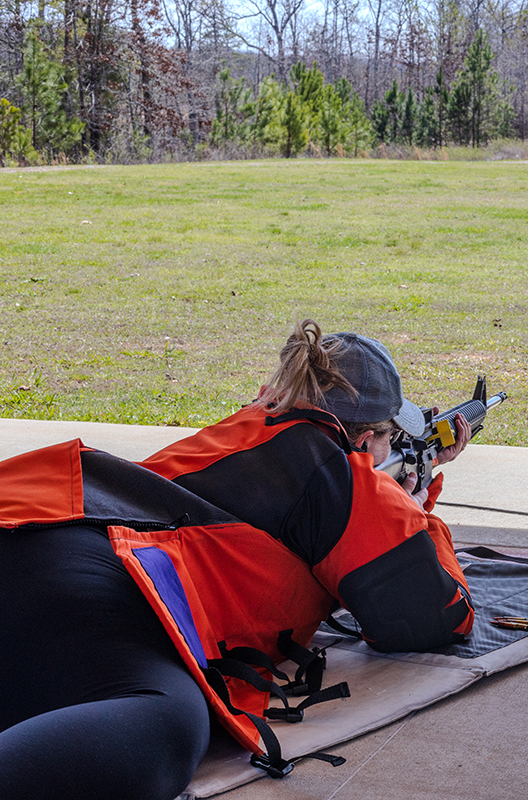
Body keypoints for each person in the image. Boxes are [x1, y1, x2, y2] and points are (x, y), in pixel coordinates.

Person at [0, 320, 474, 800]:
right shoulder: (345, 477)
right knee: (167, 725)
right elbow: (431, 617)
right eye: (389, 437)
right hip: (100, 578)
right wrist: (416, 515)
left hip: (35, 520)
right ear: (367, 438)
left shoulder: (247, 423)